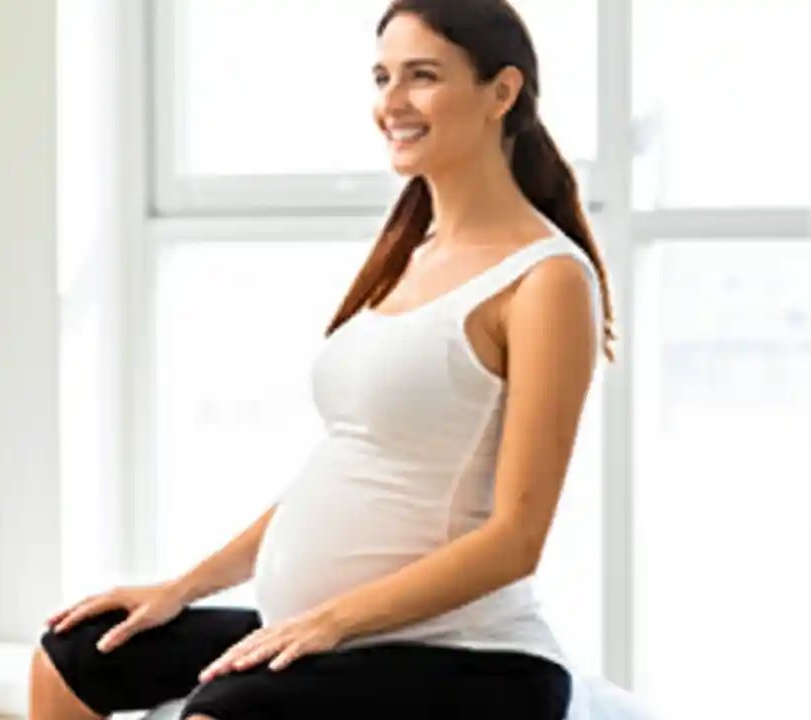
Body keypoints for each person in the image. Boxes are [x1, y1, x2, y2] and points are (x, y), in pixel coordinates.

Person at [31, 0, 617, 717]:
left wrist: (327, 621)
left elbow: (515, 541)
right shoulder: (412, 253)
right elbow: (356, 464)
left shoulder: (546, 278)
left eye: (422, 76)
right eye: (381, 78)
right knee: (74, 656)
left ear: (503, 92)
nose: (391, 103)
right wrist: (179, 589)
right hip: (339, 636)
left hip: (469, 654)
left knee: (225, 709)